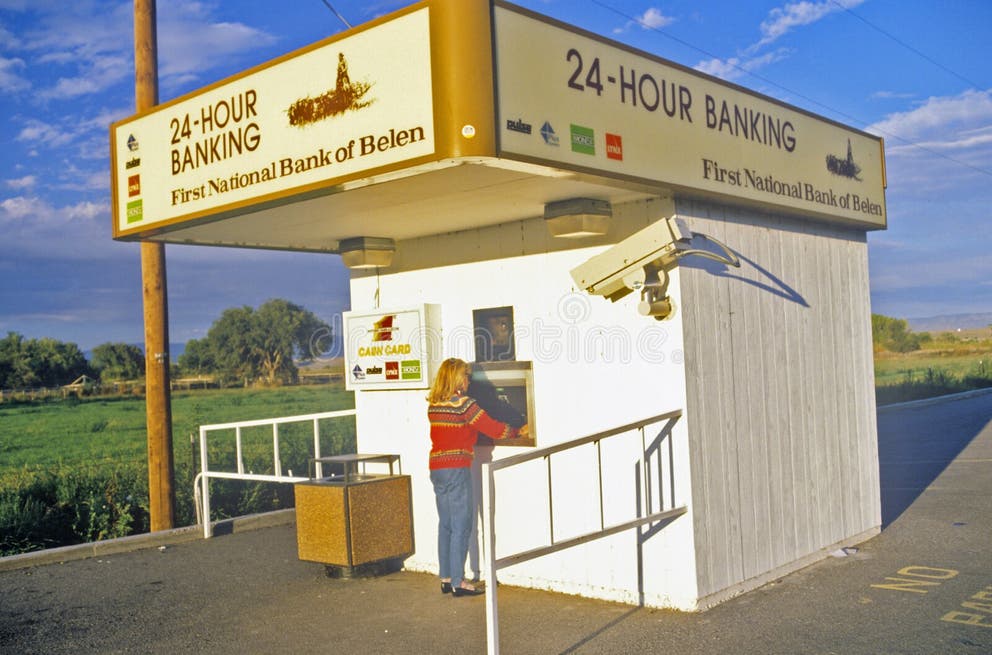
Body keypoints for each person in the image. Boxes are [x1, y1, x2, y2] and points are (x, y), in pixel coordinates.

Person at [427, 357, 528, 597]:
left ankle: (446, 576)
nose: (468, 380)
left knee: (446, 524)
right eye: (465, 375)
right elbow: (492, 427)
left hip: (437, 468)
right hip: (456, 467)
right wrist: (517, 430)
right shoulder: (464, 404)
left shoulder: (435, 404)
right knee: (463, 524)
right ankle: (459, 582)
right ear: (455, 378)